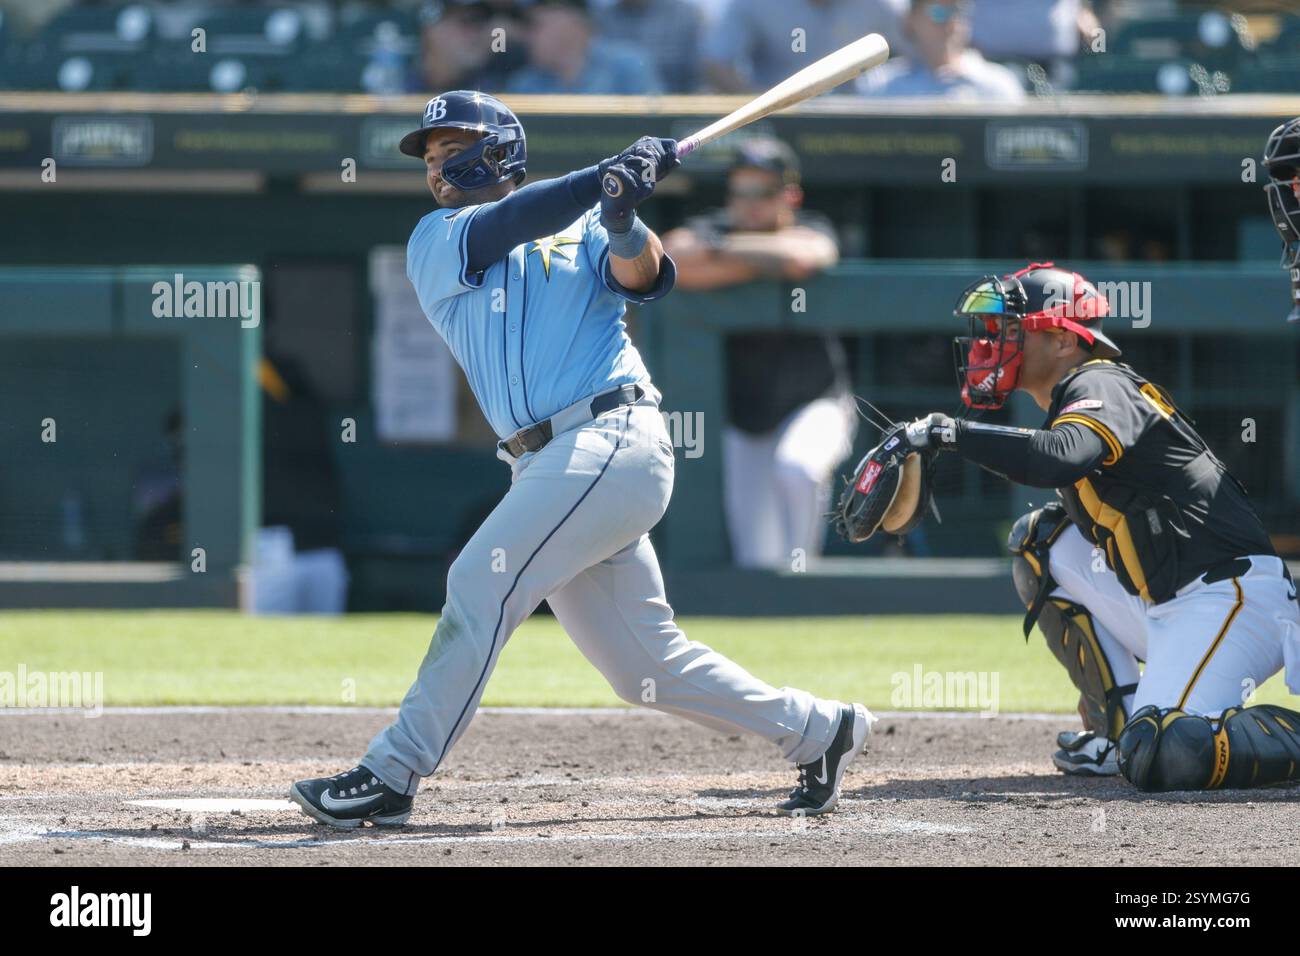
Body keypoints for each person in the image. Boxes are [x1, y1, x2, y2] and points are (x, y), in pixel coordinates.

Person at [289, 91, 873, 827]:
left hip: (611, 438)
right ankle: (820, 731)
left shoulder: (592, 219)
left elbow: (648, 277)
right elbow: (512, 221)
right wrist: (603, 179)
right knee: (644, 667)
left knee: (479, 579)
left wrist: (624, 218)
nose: (438, 165)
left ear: (500, 148)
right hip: (549, 464)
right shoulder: (437, 238)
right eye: (431, 155)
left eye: (451, 147)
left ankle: (392, 772)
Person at [889, 263, 1300, 792]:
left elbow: (1057, 458)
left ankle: (1163, 735)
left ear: (1062, 339)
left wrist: (949, 433)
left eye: (1011, 329)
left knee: (1168, 754)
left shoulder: (1100, 379)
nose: (993, 342)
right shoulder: (1072, 393)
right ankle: (1119, 727)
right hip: (1169, 600)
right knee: (1042, 543)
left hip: (1232, 598)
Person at [662, 138, 855, 569]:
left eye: (763, 193)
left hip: (817, 400)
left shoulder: (812, 224)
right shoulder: (713, 225)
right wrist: (760, 258)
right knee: (755, 559)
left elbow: (807, 256)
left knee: (798, 470)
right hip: (744, 419)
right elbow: (670, 255)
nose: (749, 205)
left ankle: (806, 582)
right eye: (741, 193)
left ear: (790, 195)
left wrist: (721, 254)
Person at [702, 0, 909, 93]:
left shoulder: (880, 5)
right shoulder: (753, 4)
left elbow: (915, 54)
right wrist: (761, 102)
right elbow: (716, 64)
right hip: (777, 123)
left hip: (857, 125)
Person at [858, 0, 1025, 102]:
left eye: (958, 11)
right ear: (910, 19)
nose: (951, 23)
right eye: (938, 12)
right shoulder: (880, 85)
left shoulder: (998, 85)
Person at [507, 0, 664, 94]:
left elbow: (656, 131)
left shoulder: (628, 67)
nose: (525, 37)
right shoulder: (525, 84)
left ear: (572, 25)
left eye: (535, 26)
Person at [592, 0, 704, 93]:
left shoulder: (686, 16)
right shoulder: (600, 18)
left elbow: (699, 78)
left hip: (676, 110)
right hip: (615, 111)